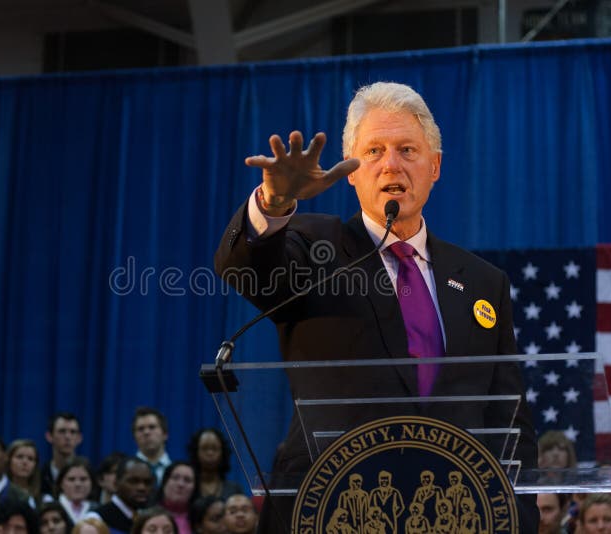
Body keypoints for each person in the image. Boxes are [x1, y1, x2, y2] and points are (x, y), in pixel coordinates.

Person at [214, 80, 538, 532]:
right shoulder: (313, 246)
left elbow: (508, 417)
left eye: (407, 149)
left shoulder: (484, 281)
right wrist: (275, 202)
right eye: (374, 151)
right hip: (330, 511)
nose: (391, 165)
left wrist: (515, 518)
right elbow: (247, 268)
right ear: (350, 170)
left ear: (435, 166)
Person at [89, 457, 156, 534]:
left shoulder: (150, 518)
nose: (142, 488)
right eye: (133, 481)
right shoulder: (96, 519)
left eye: (147, 482)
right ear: (116, 483)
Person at [186, 428, 242, 500]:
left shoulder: (234, 490)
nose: (210, 453)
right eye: (204, 448)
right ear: (195, 452)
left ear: (223, 453)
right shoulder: (188, 487)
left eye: (214, 448)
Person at [41, 413, 84, 496]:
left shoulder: (90, 478)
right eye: (62, 431)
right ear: (49, 436)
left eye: (73, 432)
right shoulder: (39, 477)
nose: (67, 436)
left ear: (79, 438)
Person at [132, 408, 172, 484]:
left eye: (152, 427)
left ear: (165, 434)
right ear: (134, 437)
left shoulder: (176, 473)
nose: (146, 432)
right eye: (140, 429)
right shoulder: (125, 473)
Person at [156, 462, 197, 534]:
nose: (180, 484)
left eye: (187, 480)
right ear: (165, 482)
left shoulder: (200, 519)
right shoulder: (147, 513)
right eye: (175, 478)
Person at [55, 457, 97, 524]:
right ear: (61, 483)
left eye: (83, 479)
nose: (78, 484)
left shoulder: (98, 511)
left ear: (92, 482)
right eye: (71, 479)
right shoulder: (51, 510)